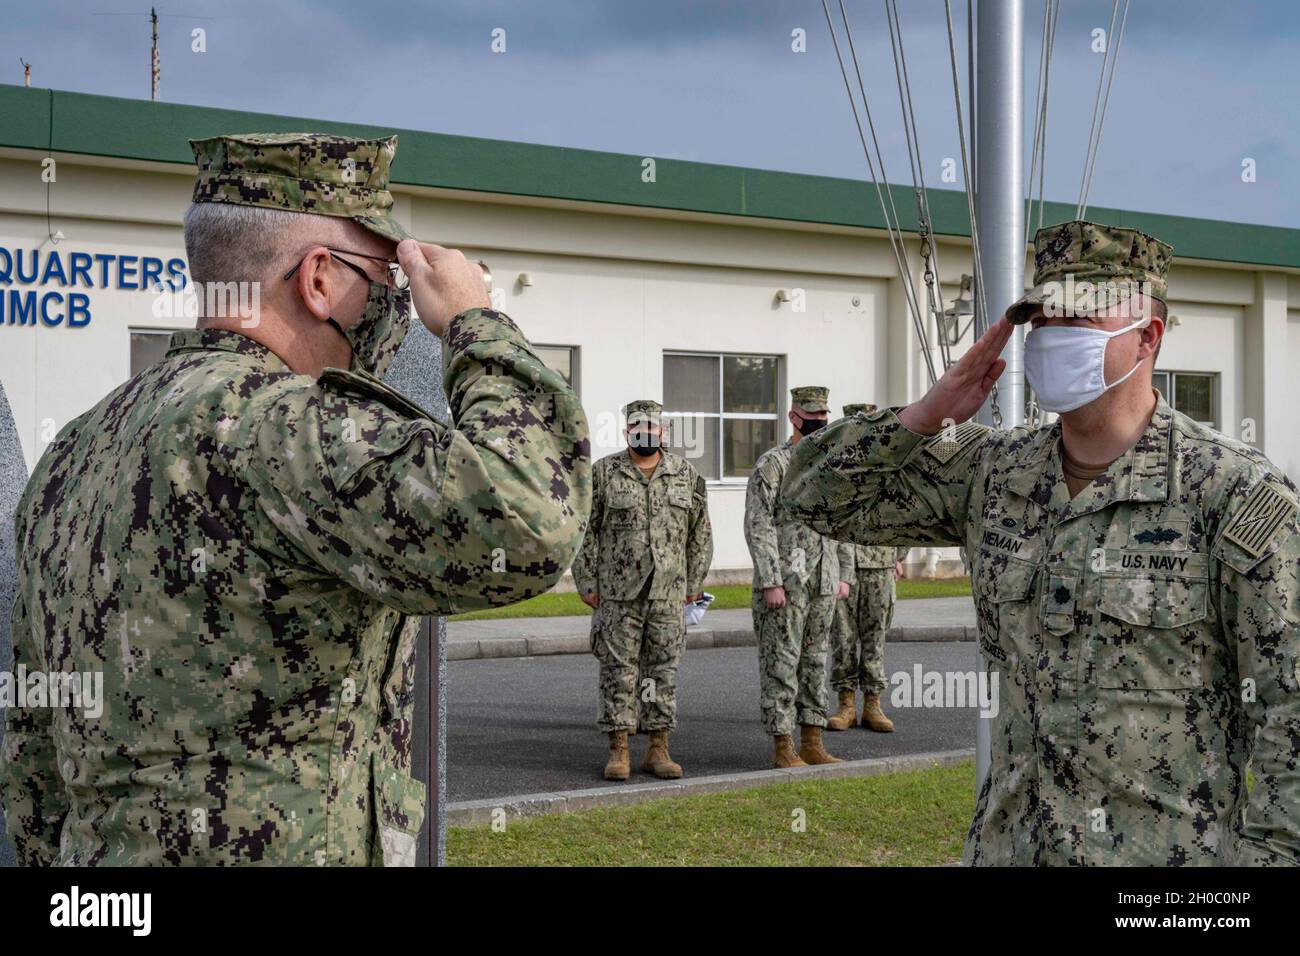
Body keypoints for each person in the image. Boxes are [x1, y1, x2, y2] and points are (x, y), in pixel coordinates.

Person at [0, 132, 591, 866]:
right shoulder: (294, 433)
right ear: (318, 279)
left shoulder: (73, 452)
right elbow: (532, 520)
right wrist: (476, 323)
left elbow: (30, 747)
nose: (392, 304)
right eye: (383, 275)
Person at [783, 220, 1300, 865]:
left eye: (1077, 319)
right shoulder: (993, 472)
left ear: (1148, 337)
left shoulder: (1231, 493)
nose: (1052, 337)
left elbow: (1287, 711)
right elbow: (809, 497)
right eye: (1042, 319)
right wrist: (924, 415)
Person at [572, 400, 712, 781]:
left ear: (663, 432)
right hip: (618, 594)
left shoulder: (685, 474)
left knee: (661, 672)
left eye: (653, 428)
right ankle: (619, 749)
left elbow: (700, 533)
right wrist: (586, 581)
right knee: (619, 670)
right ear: (627, 432)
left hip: (668, 592)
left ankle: (657, 747)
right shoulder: (604, 473)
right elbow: (583, 531)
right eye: (638, 428)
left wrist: (693, 583)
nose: (646, 434)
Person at [745, 386, 852, 768]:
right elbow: (759, 526)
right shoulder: (773, 465)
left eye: (824, 418)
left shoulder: (832, 465)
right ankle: (782, 746)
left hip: (824, 580)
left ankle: (812, 741)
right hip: (786, 584)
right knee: (782, 662)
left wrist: (845, 573)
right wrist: (771, 579)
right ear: (794, 417)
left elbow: (843, 522)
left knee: (814, 661)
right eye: (812, 417)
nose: (819, 423)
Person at [826, 402, 909, 733]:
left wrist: (897, 558)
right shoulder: (834, 473)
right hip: (843, 568)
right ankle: (846, 704)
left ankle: (873, 704)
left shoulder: (890, 472)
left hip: (879, 566)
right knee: (842, 638)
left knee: (875, 637)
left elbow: (903, 514)